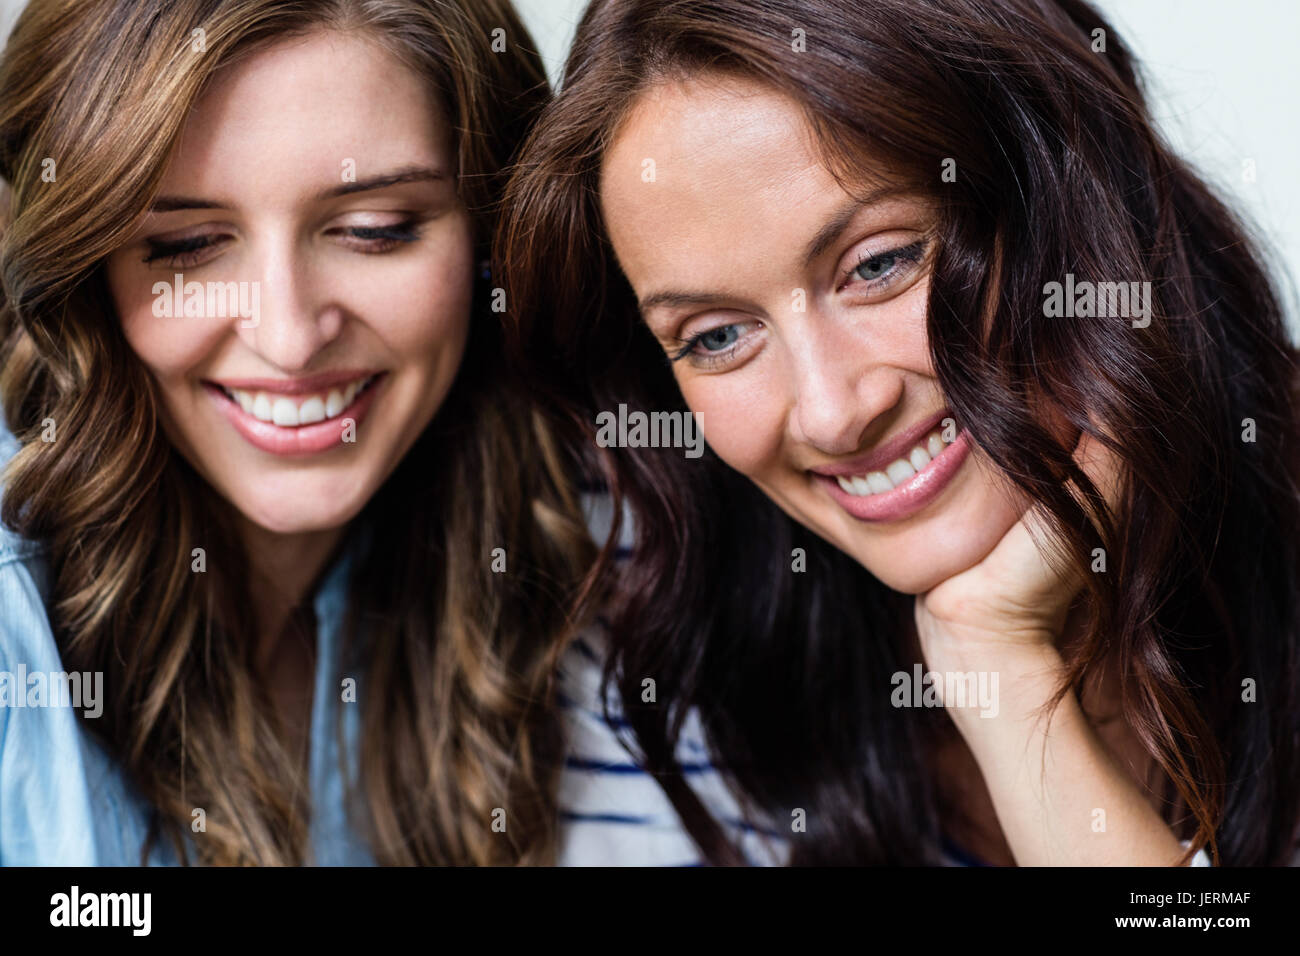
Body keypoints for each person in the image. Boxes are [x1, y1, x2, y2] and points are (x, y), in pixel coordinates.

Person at [498, 0, 1300, 864]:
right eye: (718, 336)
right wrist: (996, 660)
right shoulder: (647, 638)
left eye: (879, 264)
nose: (832, 413)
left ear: (1074, 212)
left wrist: (1001, 672)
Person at [0, 0, 600, 865]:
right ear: (85, 277)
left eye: (373, 231)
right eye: (188, 245)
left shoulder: (576, 545)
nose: (287, 338)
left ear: (493, 236)